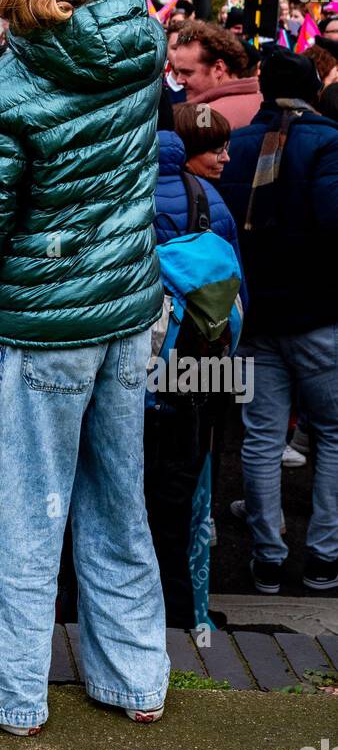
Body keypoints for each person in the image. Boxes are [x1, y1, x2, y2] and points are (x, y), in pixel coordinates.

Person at [0, 0, 170, 733]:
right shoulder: (143, 44)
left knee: (22, 512)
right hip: (128, 310)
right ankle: (135, 680)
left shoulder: (3, 93)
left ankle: (7, 691)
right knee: (118, 498)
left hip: (45, 327)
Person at [216, 48, 338, 593]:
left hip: (256, 316)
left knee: (261, 438)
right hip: (318, 316)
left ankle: (268, 556)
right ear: (313, 86)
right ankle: (323, 557)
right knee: (333, 436)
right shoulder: (329, 141)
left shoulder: (235, 146)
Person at [147, 111, 246, 627]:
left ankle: (92, 616)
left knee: (115, 505)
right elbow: (236, 293)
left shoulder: (122, 198)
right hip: (196, 377)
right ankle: (184, 618)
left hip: (136, 377)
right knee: (183, 505)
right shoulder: (212, 203)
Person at [173, 20, 262, 129]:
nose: (179, 80)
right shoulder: (261, 101)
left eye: (187, 72)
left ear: (218, 68)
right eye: (178, 72)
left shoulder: (204, 117)